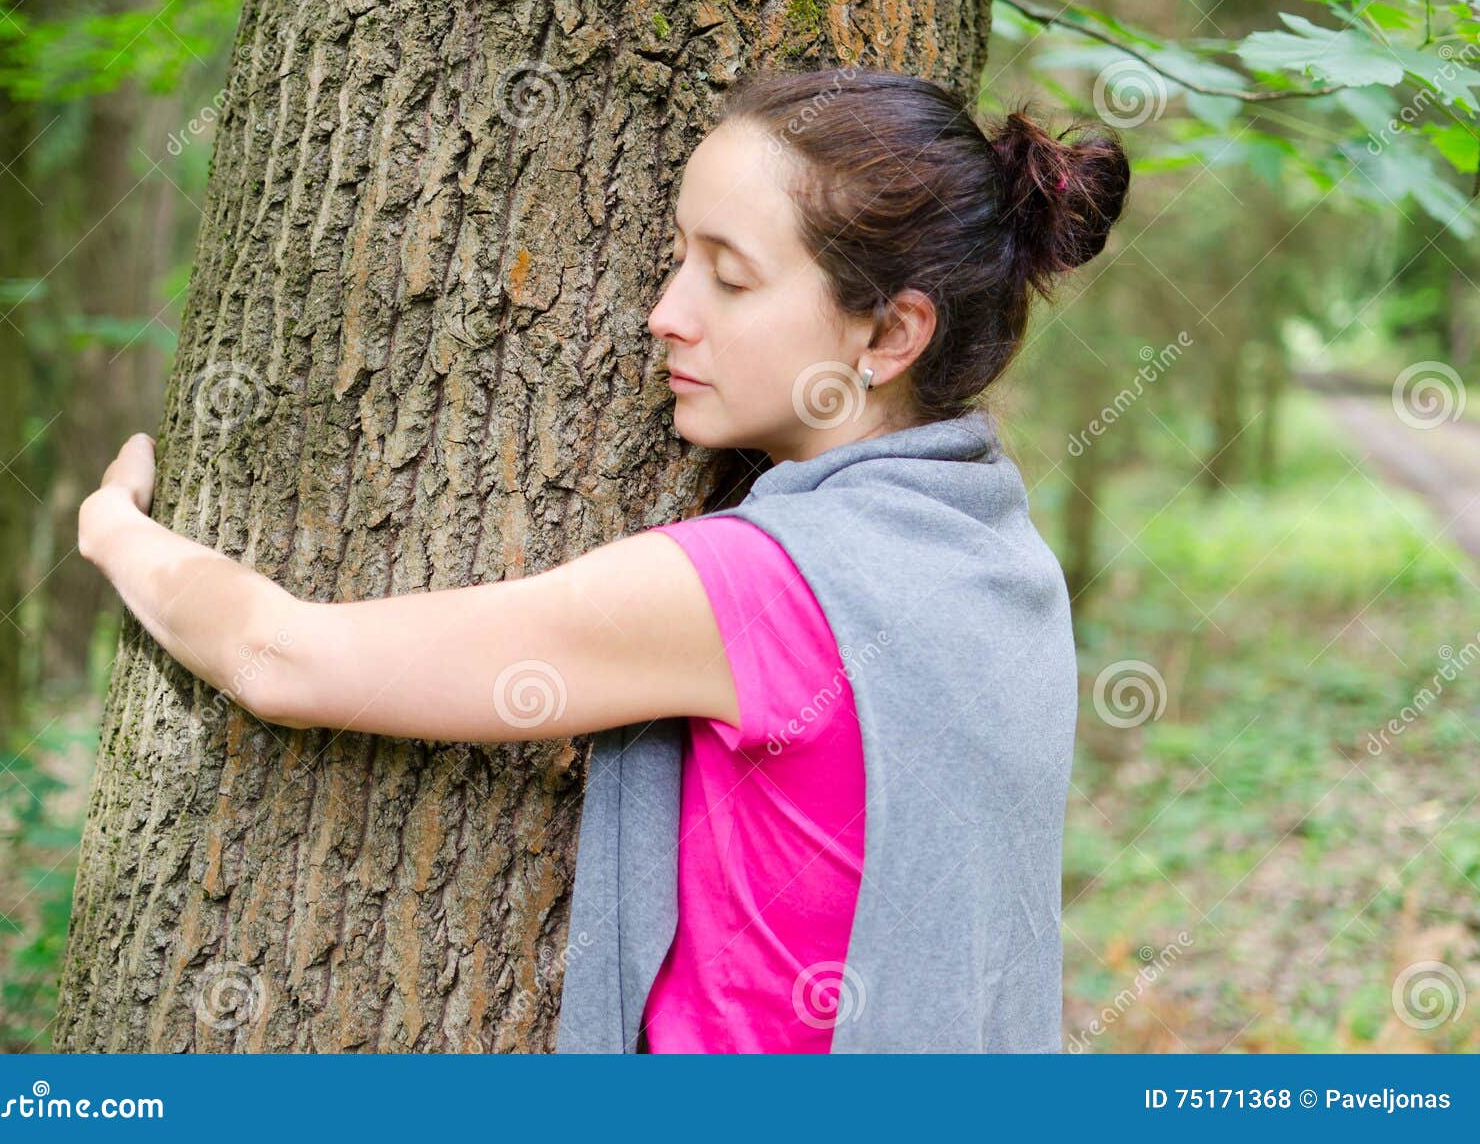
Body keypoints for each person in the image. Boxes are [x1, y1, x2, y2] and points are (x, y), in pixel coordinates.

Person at [79, 67, 1129, 1053]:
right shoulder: (995, 551)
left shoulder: (759, 588)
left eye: (727, 276)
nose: (665, 314)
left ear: (889, 335)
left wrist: (118, 531)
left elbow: (284, 660)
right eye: (677, 259)